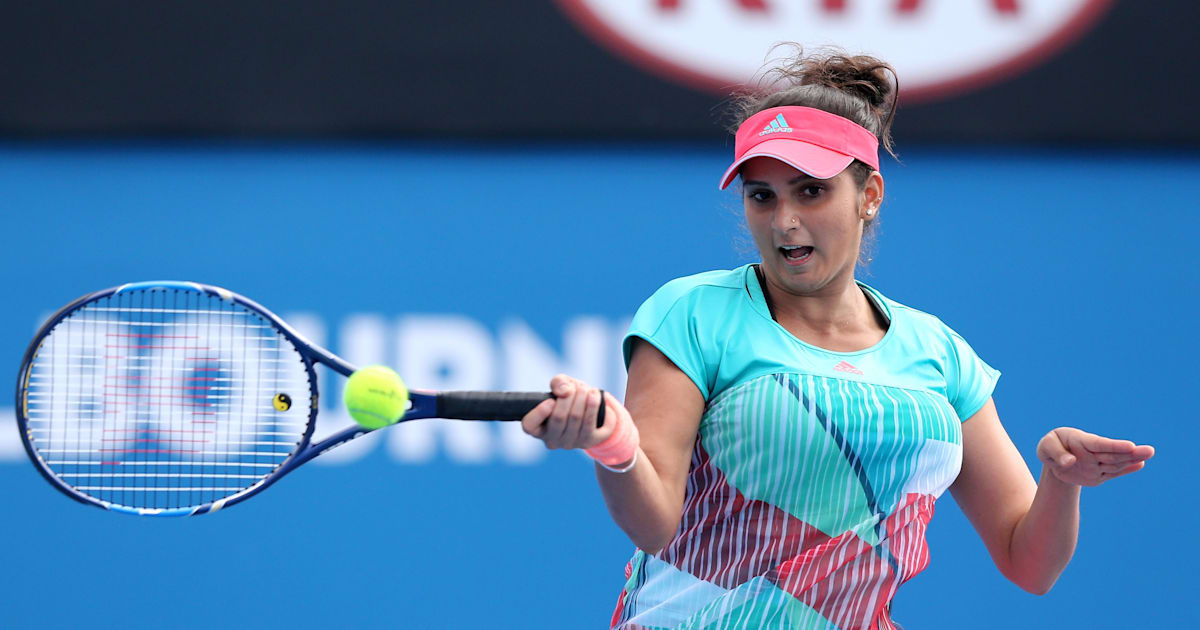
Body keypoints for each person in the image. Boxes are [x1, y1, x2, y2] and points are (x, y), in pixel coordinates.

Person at [520, 48, 1155, 630]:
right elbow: (654, 524)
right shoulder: (692, 313)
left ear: (869, 196)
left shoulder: (939, 353)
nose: (785, 221)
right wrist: (615, 446)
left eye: (811, 191)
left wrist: (1061, 480)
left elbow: (1030, 564)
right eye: (762, 196)